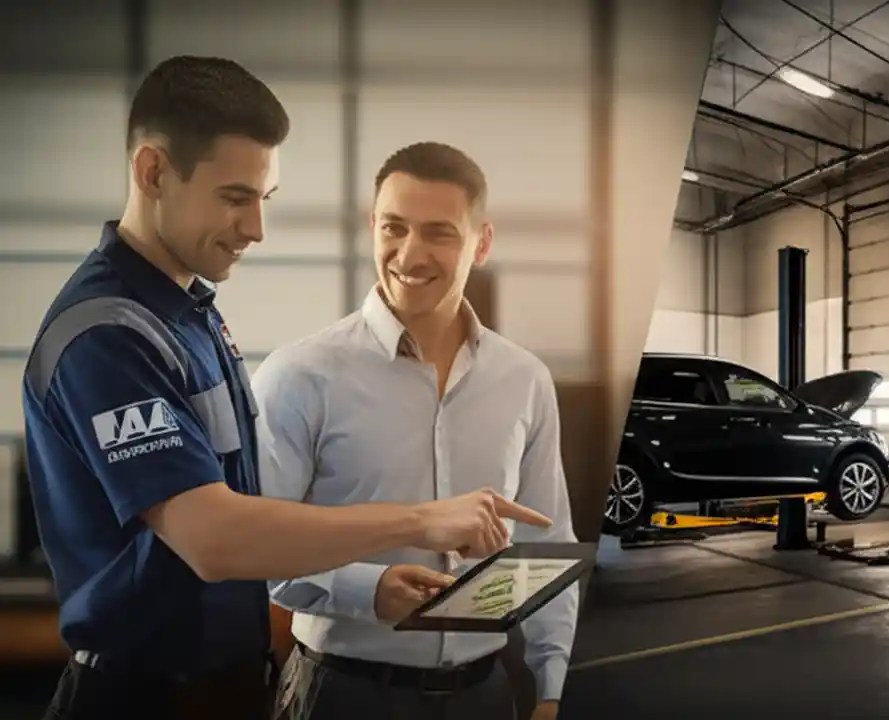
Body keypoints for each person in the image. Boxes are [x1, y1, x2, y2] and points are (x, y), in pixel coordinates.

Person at [20, 57, 551, 720]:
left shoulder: (191, 316)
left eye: (262, 201)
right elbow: (215, 540)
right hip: (143, 696)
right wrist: (424, 519)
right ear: (153, 172)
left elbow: (257, 514)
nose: (256, 229)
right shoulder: (106, 335)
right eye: (234, 197)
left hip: (231, 686)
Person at [253, 141, 580, 720]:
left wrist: (551, 686)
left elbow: (547, 545)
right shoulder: (298, 375)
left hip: (485, 694)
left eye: (439, 233)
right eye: (394, 227)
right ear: (371, 227)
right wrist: (366, 589)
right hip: (342, 694)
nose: (410, 253)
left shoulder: (525, 379)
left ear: (482, 243)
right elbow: (255, 552)